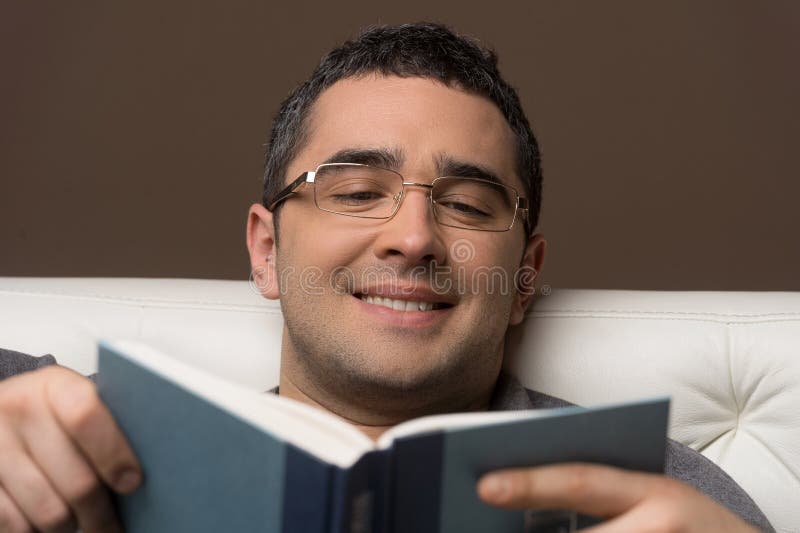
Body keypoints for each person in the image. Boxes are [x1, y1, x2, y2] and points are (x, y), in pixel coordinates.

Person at [0, 23, 773, 533]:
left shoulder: (669, 496)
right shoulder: (85, 433)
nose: (412, 238)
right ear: (266, 249)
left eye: (468, 205)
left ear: (525, 278)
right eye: (357, 192)